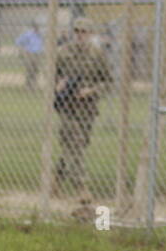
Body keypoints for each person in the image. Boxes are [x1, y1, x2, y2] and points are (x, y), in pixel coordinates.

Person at [54, 17, 112, 195]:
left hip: (87, 108)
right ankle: (81, 186)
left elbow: (108, 82)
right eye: (77, 31)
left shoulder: (98, 54)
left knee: (77, 144)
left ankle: (57, 178)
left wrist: (91, 91)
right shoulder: (62, 53)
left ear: (90, 34)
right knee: (75, 143)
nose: (80, 35)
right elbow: (51, 76)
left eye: (84, 32)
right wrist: (58, 84)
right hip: (67, 106)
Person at [16, 20, 44, 91]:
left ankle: (33, 85)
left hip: (38, 54)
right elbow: (18, 41)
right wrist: (23, 50)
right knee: (29, 69)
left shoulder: (40, 35)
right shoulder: (28, 34)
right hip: (29, 53)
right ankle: (28, 85)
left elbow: (41, 44)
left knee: (36, 70)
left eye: (38, 27)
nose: (37, 28)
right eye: (35, 26)